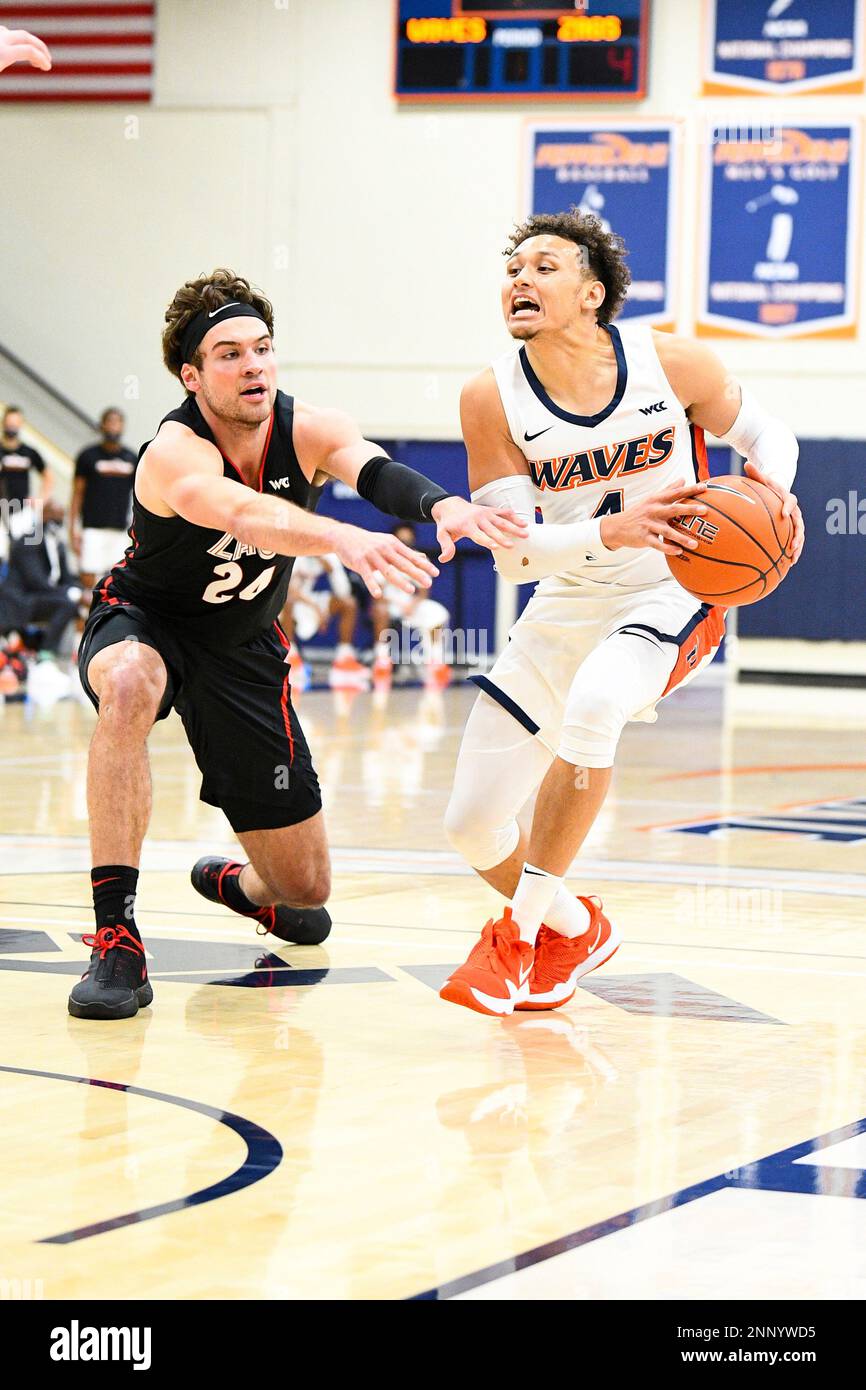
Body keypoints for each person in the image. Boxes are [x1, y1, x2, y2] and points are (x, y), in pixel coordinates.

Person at [70, 268, 526, 1021]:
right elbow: (247, 517)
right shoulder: (172, 454)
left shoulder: (306, 425)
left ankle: (240, 885)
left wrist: (442, 504)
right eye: (228, 354)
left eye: (263, 348)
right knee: (125, 684)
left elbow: (373, 468)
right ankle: (116, 935)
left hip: (244, 647)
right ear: (192, 375)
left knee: (305, 896)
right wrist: (344, 538)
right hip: (147, 621)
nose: (253, 365)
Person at [441, 209, 804, 1017]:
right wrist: (606, 529)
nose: (521, 281)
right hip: (565, 597)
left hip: (670, 590)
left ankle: (517, 937)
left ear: (592, 293)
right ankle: (577, 927)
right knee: (471, 825)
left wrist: (772, 495)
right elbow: (513, 554)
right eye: (514, 270)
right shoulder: (489, 396)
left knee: (599, 703)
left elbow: (769, 434)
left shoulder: (668, 360)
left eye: (544, 268)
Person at [0, 501, 80, 703]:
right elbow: (35, 580)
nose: (57, 520)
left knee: (76, 601)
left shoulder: (57, 543)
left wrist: (79, 591)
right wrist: (67, 592)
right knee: (66, 603)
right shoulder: (27, 541)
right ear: (42, 515)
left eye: (61, 515)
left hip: (45, 596)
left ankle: (76, 655)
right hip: (22, 600)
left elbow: (67, 577)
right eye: (53, 514)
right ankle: (45, 654)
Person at [69, 408, 138, 618]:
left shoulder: (131, 458)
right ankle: (79, 641)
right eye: (110, 422)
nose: (114, 426)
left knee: (116, 584)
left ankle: (107, 632)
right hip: (92, 529)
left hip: (120, 531)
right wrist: (72, 529)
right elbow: (77, 494)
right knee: (88, 585)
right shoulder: (88, 456)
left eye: (118, 422)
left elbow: (139, 497)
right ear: (102, 425)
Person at [371, 523, 452, 689]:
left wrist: (412, 606)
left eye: (408, 542)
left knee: (438, 613)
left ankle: (434, 660)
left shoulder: (418, 558)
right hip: (389, 603)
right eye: (401, 541)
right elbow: (377, 594)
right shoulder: (381, 557)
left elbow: (423, 592)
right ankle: (382, 661)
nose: (405, 545)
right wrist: (396, 603)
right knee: (380, 610)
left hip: (410, 604)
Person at [280, 553, 367, 690]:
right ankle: (290, 657)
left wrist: (332, 571)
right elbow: (287, 589)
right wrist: (316, 608)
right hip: (287, 603)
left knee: (349, 604)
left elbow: (344, 592)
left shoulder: (329, 555)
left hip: (310, 601)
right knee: (288, 601)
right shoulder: (294, 551)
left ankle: (344, 658)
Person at [0, 406, 53, 562]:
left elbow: (48, 477)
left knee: (22, 553)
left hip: (21, 510)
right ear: (3, 423)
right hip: (1, 509)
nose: (12, 427)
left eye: (15, 423)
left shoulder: (28, 452)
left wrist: (40, 500)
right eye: (9, 423)